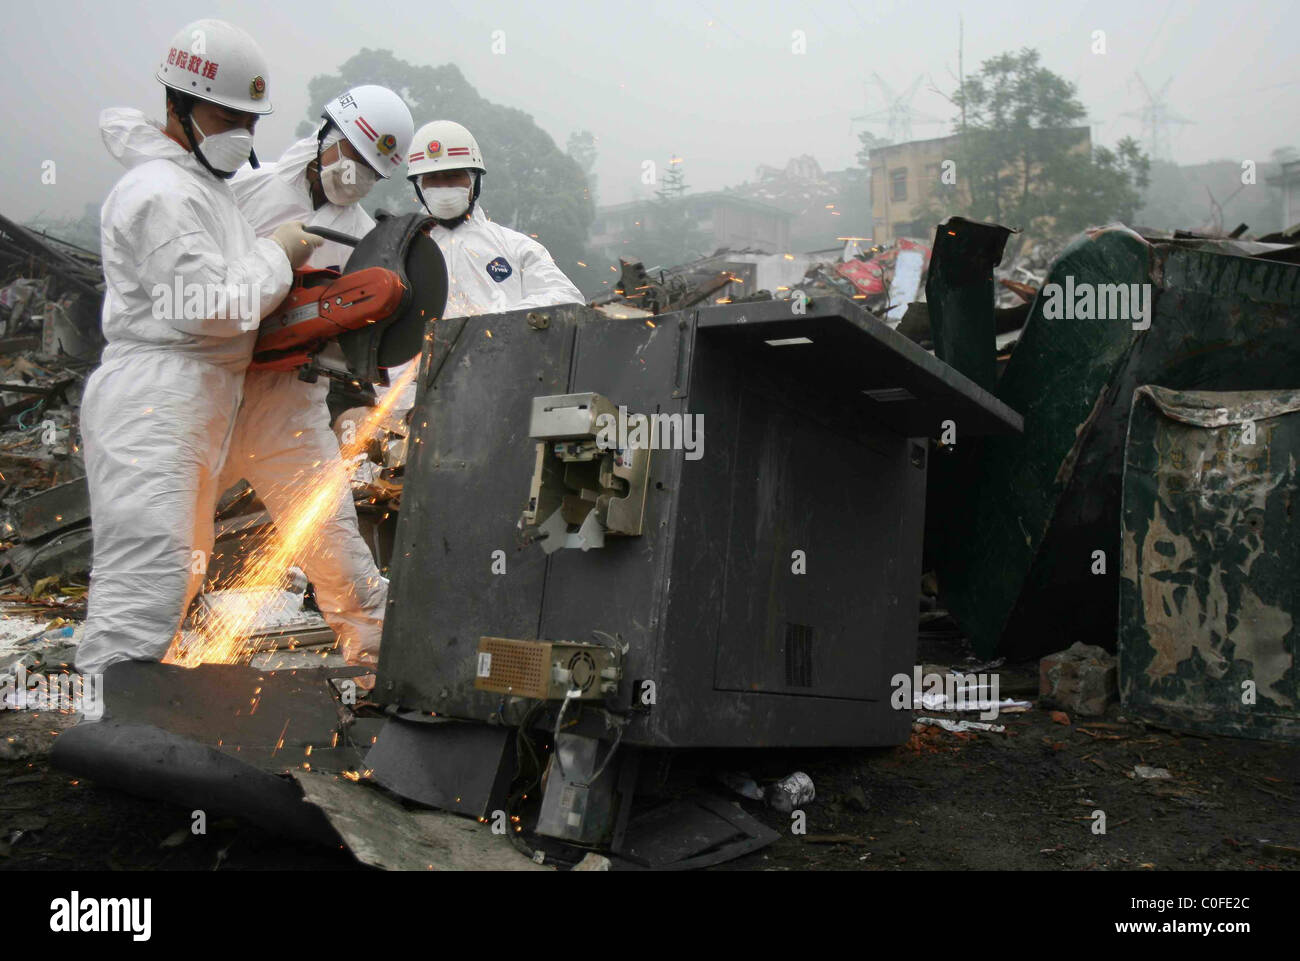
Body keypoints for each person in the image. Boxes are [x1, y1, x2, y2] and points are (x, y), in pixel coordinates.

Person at [77, 19, 322, 676]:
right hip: (154, 400)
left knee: (172, 576)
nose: (241, 130)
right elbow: (211, 306)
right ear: (177, 105)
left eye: (249, 117)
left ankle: (121, 731)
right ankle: (100, 738)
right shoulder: (158, 192)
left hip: (190, 400)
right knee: (144, 584)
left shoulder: (199, 188)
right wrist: (278, 251)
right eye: (226, 113)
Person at [226, 86, 415, 679]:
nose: (354, 178)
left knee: (338, 552)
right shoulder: (242, 193)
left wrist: (355, 401)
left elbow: (358, 338)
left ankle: (381, 680)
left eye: (371, 173)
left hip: (289, 407)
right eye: (351, 159)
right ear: (327, 135)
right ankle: (135, 680)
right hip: (209, 391)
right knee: (168, 544)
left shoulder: (364, 240)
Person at [383, 120, 584, 408]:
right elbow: (387, 353)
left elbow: (569, 300)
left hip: (509, 395)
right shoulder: (399, 257)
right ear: (418, 186)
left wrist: (494, 322)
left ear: (475, 179)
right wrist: (401, 412)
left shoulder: (516, 248)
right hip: (425, 407)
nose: (444, 187)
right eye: (433, 179)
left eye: (453, 176)